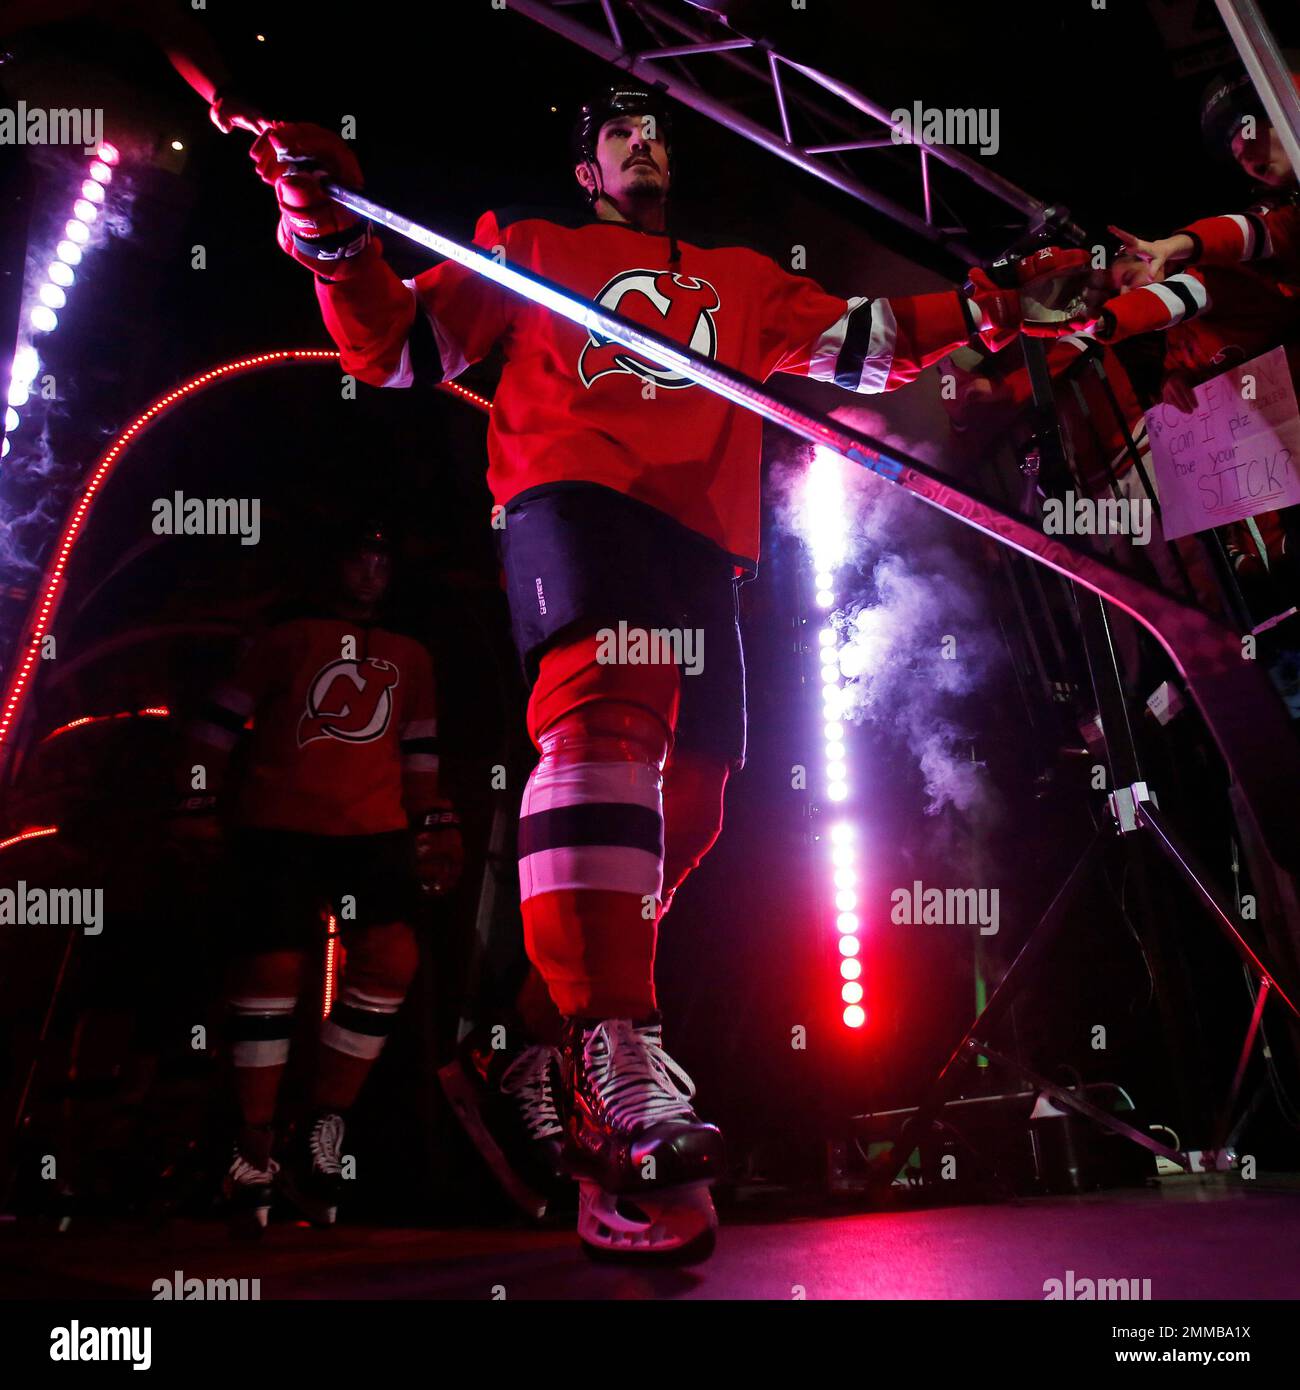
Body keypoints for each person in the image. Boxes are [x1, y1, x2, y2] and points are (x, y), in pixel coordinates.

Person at [247, 86, 1084, 1258]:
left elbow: (875, 344)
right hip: (577, 501)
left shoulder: (743, 278)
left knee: (688, 800)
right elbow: (393, 352)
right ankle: (614, 1040)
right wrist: (328, 231)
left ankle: (534, 1035)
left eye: (659, 132)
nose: (646, 144)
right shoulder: (531, 247)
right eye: (619, 133)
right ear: (584, 165)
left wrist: (1000, 307)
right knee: (604, 729)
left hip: (702, 541)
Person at [175, 523, 462, 1231]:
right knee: (271, 968)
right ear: (330, 562)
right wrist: (196, 802)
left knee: (392, 960)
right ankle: (253, 1147)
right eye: (356, 557)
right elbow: (214, 723)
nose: (369, 573)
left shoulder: (412, 655)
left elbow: (419, 752)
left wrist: (435, 822)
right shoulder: (284, 638)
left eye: (380, 560)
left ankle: (321, 1125)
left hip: (373, 833)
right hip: (278, 827)